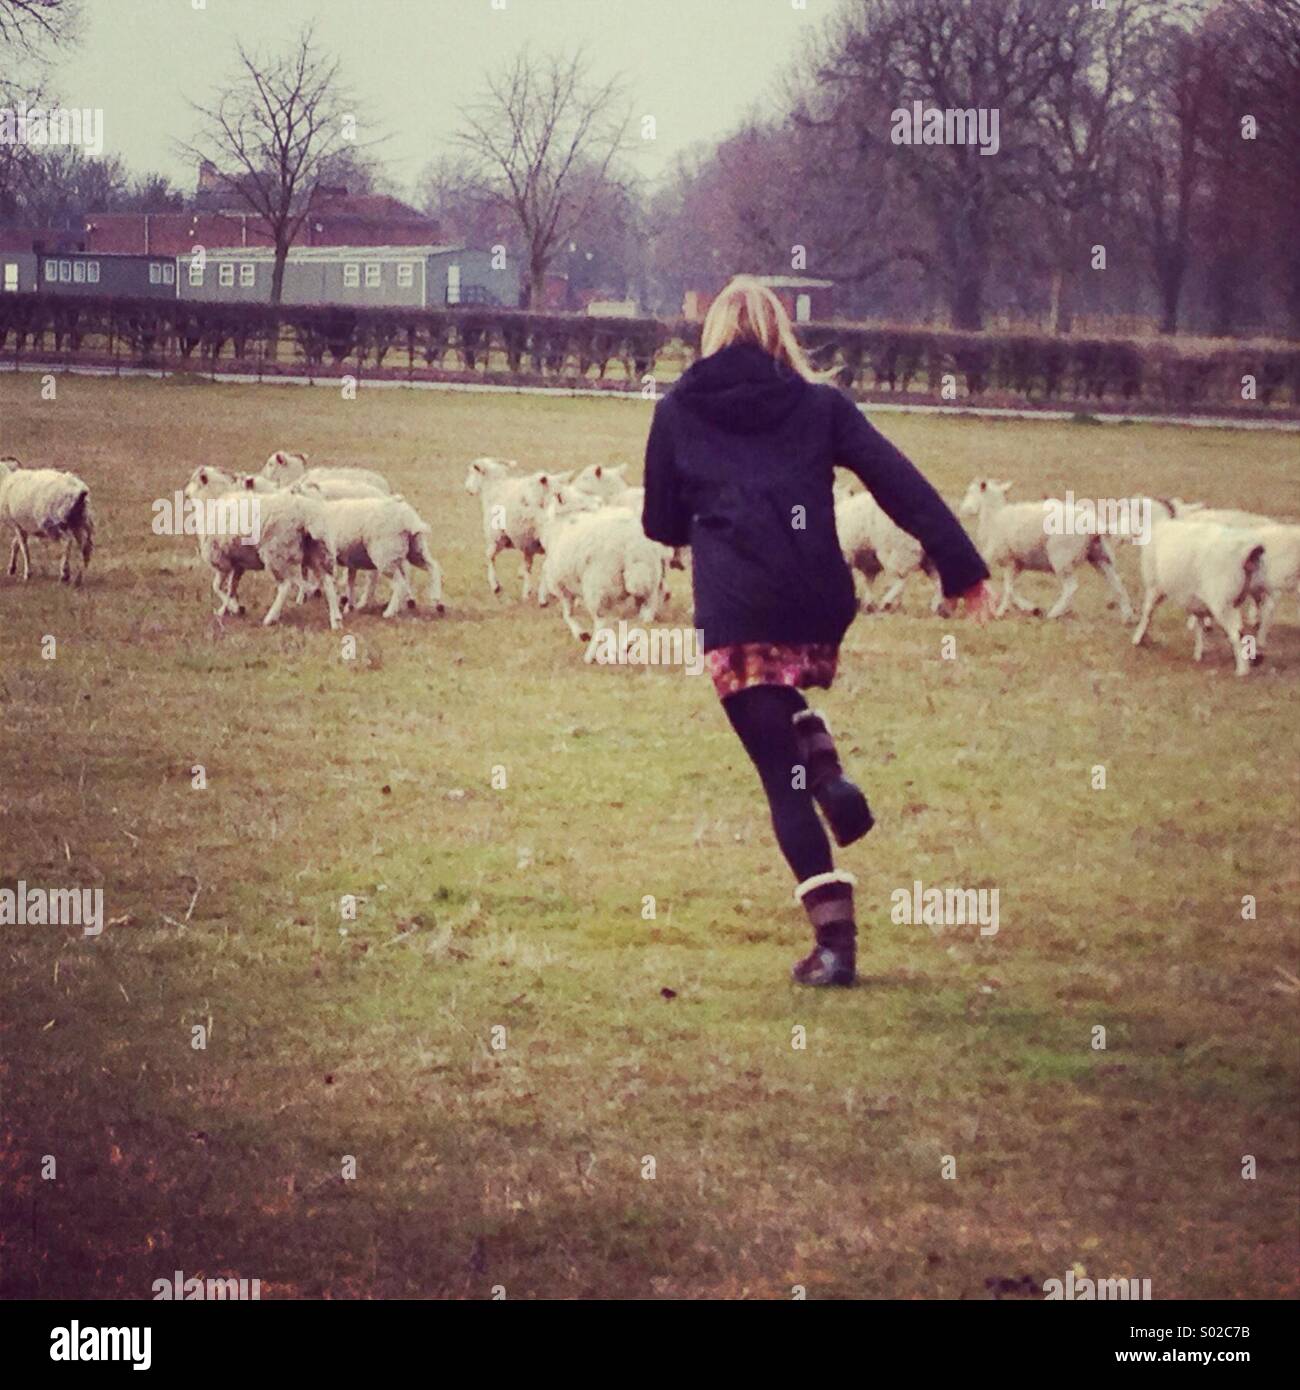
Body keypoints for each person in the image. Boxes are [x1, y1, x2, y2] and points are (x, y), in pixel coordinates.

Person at [642, 276, 994, 987]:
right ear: (781, 332)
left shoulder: (679, 410)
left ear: (712, 333)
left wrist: (705, 519)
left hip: (739, 610)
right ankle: (828, 775)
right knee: (783, 708)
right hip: (815, 604)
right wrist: (959, 566)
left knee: (780, 777)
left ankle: (835, 945)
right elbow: (899, 481)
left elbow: (659, 523)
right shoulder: (819, 405)